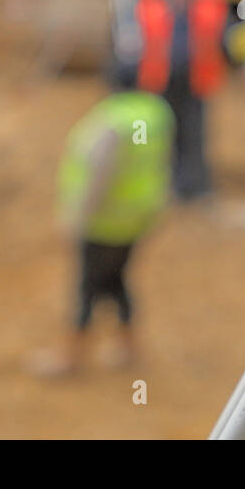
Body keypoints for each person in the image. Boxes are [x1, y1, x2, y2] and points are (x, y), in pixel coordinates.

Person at [30, 66, 174, 376]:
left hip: (103, 221)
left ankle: (69, 355)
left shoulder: (110, 122)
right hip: (138, 217)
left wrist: (76, 216)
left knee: (87, 287)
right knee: (117, 279)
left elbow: (96, 175)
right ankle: (127, 345)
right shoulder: (156, 114)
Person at [135, 0, 228, 199]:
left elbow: (222, 40)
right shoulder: (148, 7)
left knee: (194, 134)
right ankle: (166, 183)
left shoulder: (210, 7)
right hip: (160, 83)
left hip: (195, 82)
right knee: (159, 134)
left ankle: (194, 186)